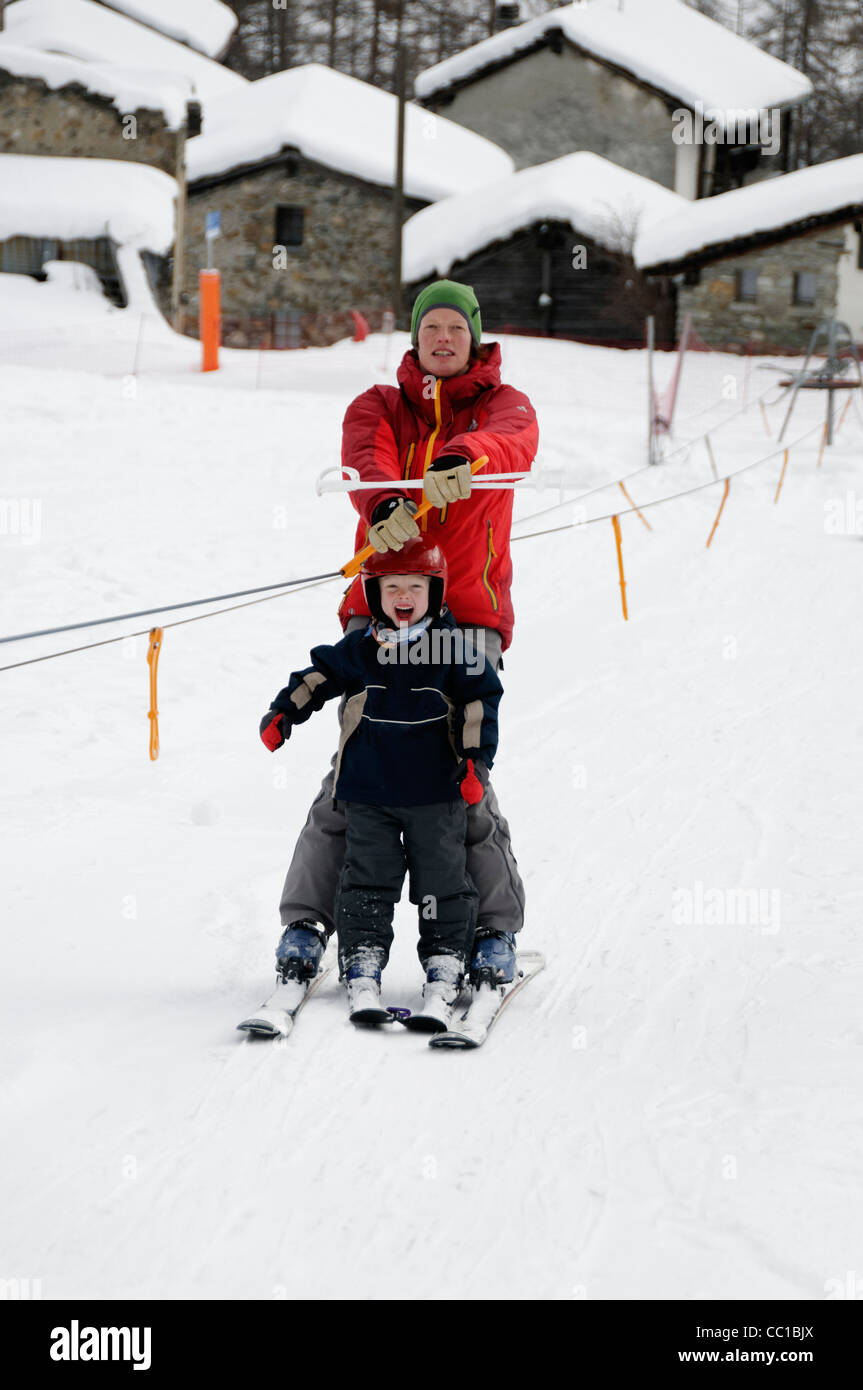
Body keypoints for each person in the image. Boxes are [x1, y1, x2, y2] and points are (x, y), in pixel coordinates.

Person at [273, 279, 538, 985]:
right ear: (415, 339)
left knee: (461, 778)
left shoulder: (502, 405)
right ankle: (305, 923)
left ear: (474, 338)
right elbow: (365, 453)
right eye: (430, 329)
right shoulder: (380, 403)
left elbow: (513, 443)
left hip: (465, 622)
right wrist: (388, 501)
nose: (443, 339)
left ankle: (491, 931)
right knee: (351, 777)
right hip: (379, 615)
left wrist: (462, 459)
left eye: (455, 327)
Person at [259, 538, 502, 1019]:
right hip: (368, 795)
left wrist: (475, 764)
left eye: (415, 585)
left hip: (436, 795)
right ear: (374, 595)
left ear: (435, 591)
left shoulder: (455, 650)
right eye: (392, 587)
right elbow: (321, 674)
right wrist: (285, 711)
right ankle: (363, 964)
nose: (403, 595)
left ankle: (445, 965)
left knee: (442, 885)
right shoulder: (362, 648)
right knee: (366, 883)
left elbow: (479, 705)